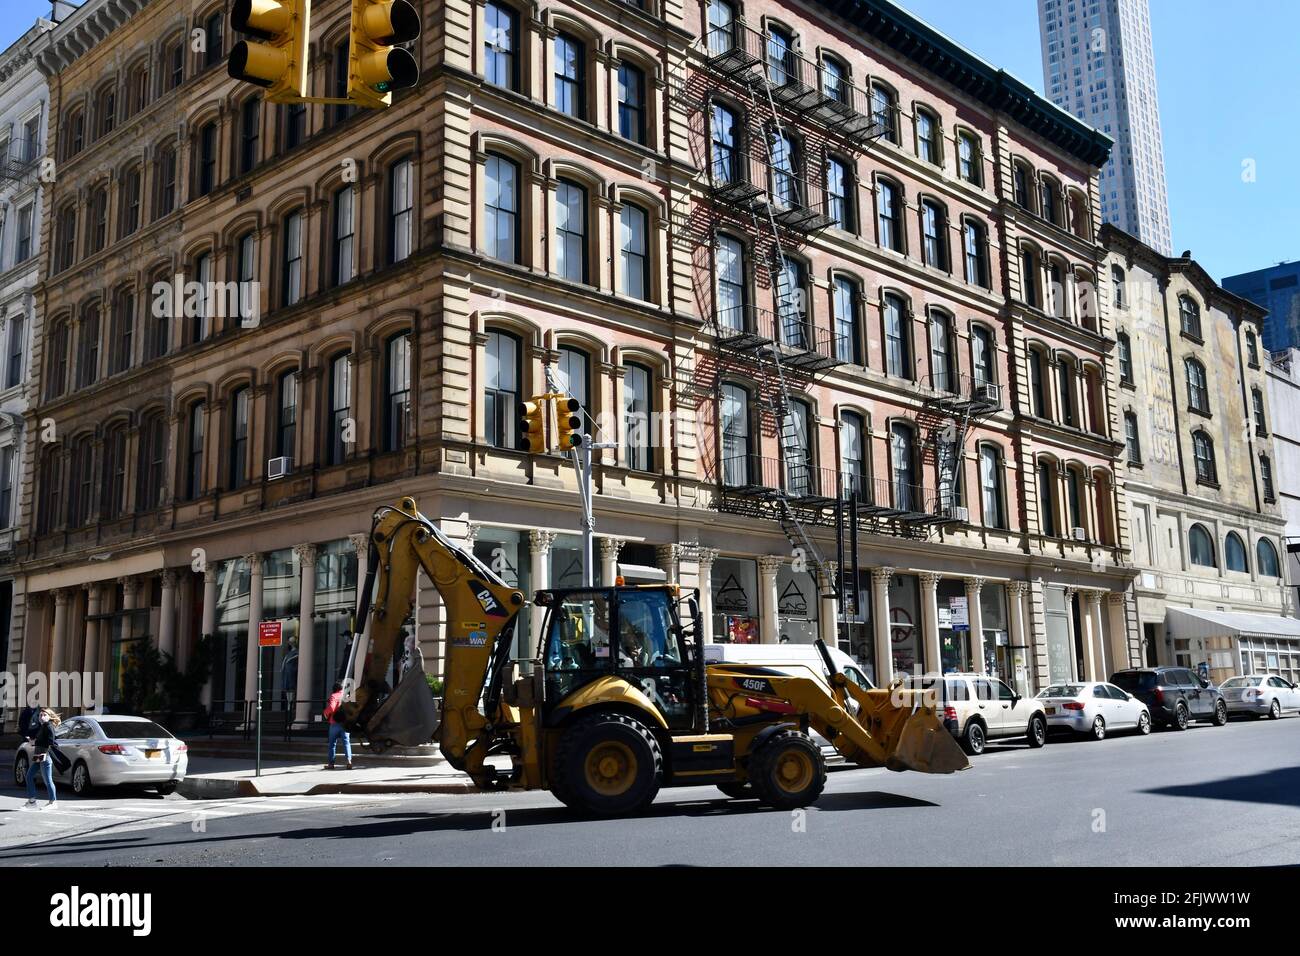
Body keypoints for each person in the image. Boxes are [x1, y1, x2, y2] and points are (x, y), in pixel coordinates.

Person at [23, 708, 61, 810]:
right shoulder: (42, 726)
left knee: (47, 780)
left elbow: (51, 741)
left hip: (45, 756)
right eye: (40, 715)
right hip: (38, 756)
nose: (42, 717)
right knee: (29, 776)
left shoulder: (48, 726)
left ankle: (53, 802)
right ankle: (32, 801)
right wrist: (33, 741)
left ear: (49, 716)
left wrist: (35, 742)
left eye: (44, 715)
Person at [323, 683, 352, 771]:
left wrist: (325, 712)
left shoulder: (334, 695)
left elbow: (331, 708)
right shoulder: (347, 696)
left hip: (335, 723)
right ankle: (349, 761)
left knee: (332, 744)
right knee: (346, 743)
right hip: (345, 723)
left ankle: (331, 764)